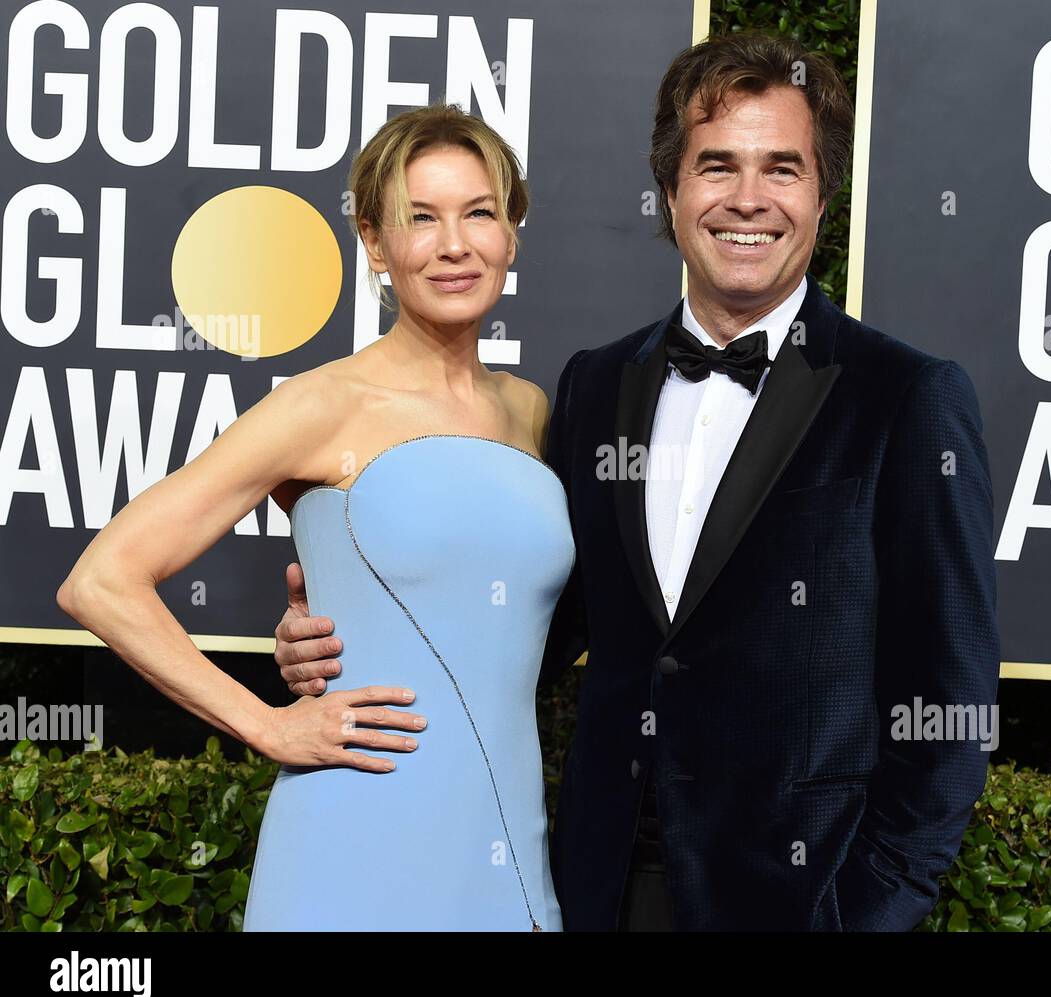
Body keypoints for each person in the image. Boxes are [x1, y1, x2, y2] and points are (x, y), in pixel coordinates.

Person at [276, 32, 1000, 932]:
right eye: (715, 166)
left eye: (782, 168)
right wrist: (357, 631)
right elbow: (537, 616)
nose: (747, 199)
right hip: (598, 885)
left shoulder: (907, 398)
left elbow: (951, 703)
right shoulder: (594, 386)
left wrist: (866, 912)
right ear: (670, 190)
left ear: (823, 194)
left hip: (797, 900)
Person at [57, 104, 569, 931]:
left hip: (508, 851)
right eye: (418, 219)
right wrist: (267, 724)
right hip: (356, 836)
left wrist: (318, 620)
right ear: (374, 243)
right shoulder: (323, 405)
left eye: (479, 213)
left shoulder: (531, 412)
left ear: (511, 233)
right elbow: (102, 582)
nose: (453, 245)